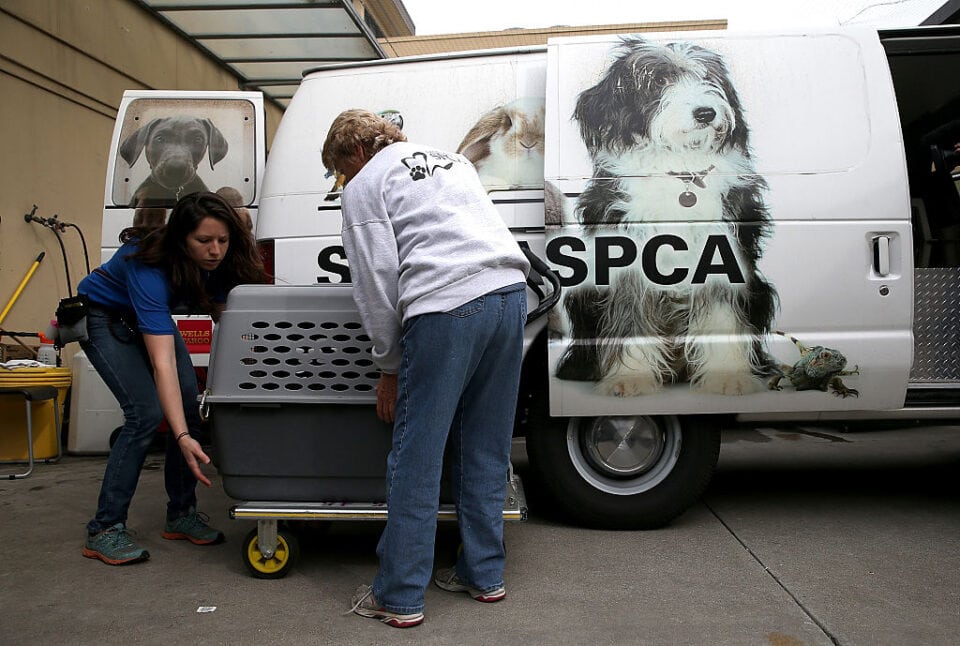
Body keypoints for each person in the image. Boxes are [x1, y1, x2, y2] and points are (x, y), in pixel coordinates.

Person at [322, 109, 530, 628]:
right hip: (508, 297)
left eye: (338, 169)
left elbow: (375, 282)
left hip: (446, 307)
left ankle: (398, 596)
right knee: (485, 446)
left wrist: (389, 368)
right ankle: (485, 575)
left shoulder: (366, 184)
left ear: (352, 154)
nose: (341, 181)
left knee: (416, 455)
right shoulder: (451, 160)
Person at [78, 191, 267, 565]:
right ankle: (104, 528)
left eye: (223, 240)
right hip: (103, 317)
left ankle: (181, 514)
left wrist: (260, 374)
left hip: (147, 319)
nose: (215, 250)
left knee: (192, 406)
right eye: (204, 241)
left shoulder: (217, 264)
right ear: (182, 238)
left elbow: (233, 327)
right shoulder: (148, 266)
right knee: (145, 415)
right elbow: (162, 362)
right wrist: (179, 436)